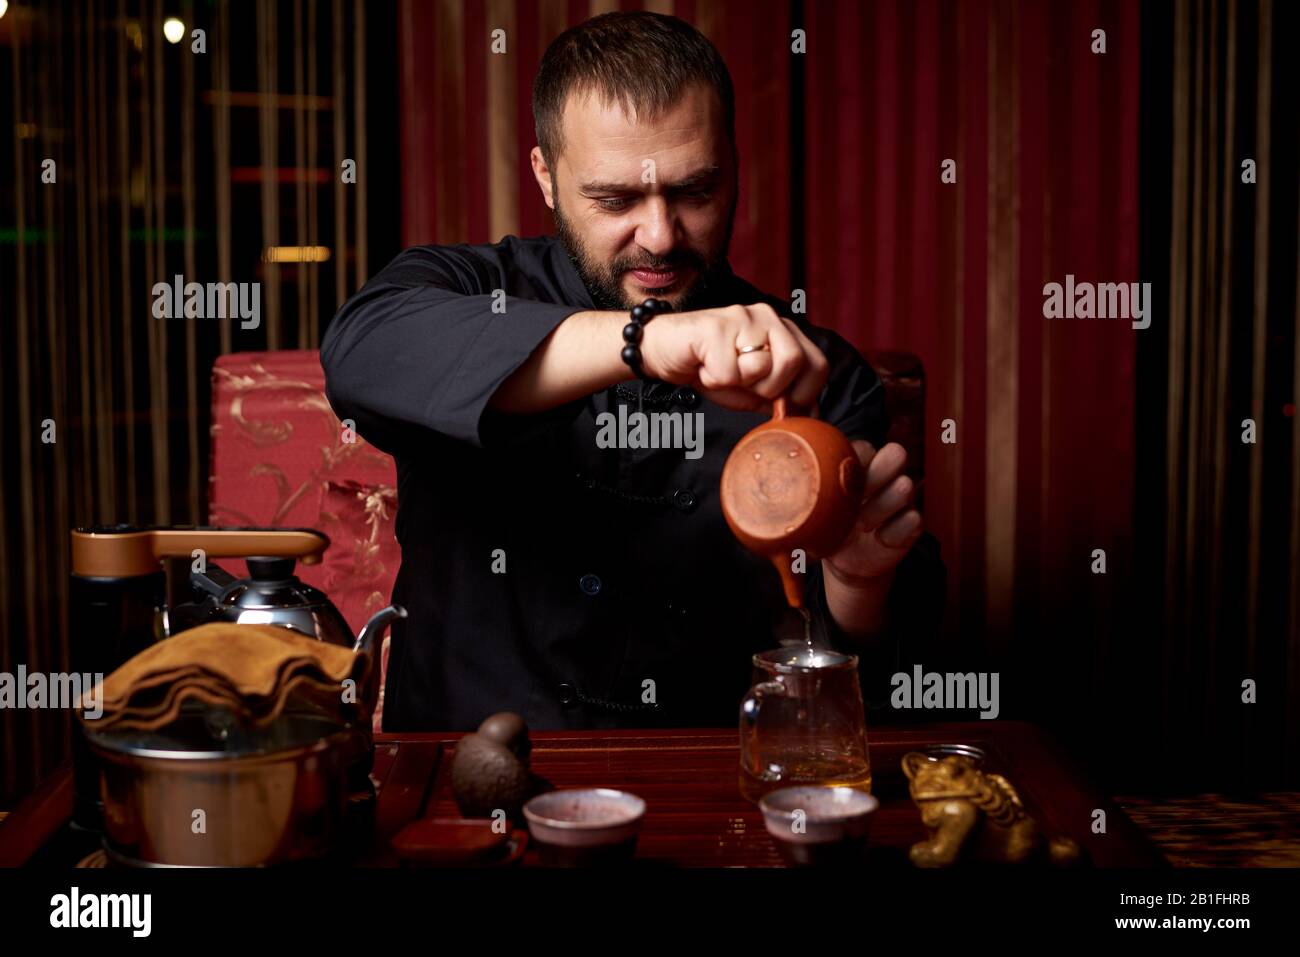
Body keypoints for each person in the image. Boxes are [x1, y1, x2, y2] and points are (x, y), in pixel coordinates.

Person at [321, 11, 943, 731]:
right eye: (616, 199)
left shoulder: (812, 371)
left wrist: (858, 583)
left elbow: (885, 688)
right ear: (547, 177)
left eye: (694, 192)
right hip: (458, 785)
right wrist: (644, 341)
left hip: (711, 785)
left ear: (734, 168)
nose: (659, 236)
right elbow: (361, 349)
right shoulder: (461, 286)